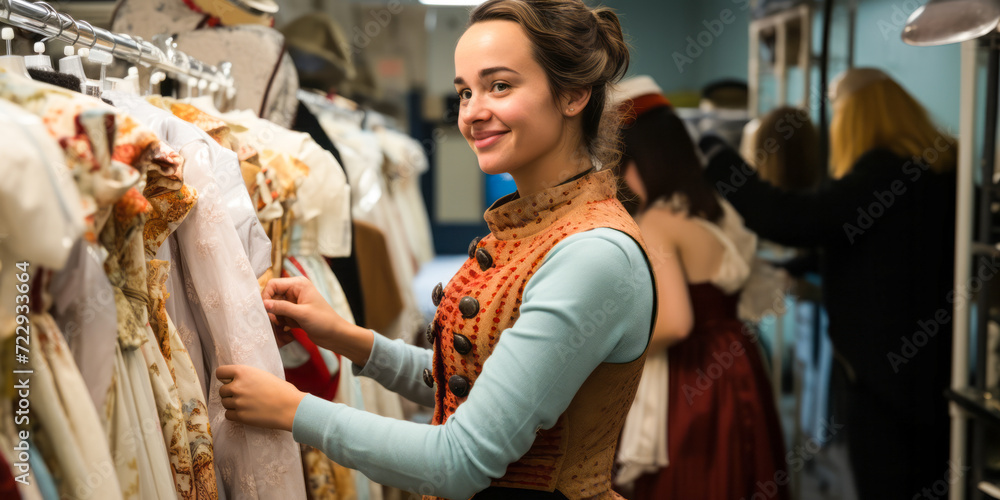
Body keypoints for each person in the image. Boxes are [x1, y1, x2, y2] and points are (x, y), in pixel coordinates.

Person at [214, 1, 657, 499]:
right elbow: (471, 384)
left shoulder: (591, 254)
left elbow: (460, 459)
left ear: (574, 95)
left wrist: (292, 410)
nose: (473, 112)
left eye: (500, 86)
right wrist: (344, 336)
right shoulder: (531, 227)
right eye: (465, 92)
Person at [700, 67, 956, 499]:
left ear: (858, 116)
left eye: (839, 111)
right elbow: (886, 247)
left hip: (884, 378)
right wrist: (803, 264)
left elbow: (791, 218)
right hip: (931, 367)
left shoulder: (882, 171)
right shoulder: (938, 173)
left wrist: (719, 159)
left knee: (887, 479)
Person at [611, 80, 789, 500]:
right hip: (738, 359)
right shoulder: (712, 208)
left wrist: (611, 352)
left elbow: (675, 323)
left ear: (641, 161)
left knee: (692, 479)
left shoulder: (657, 220)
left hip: (694, 372)